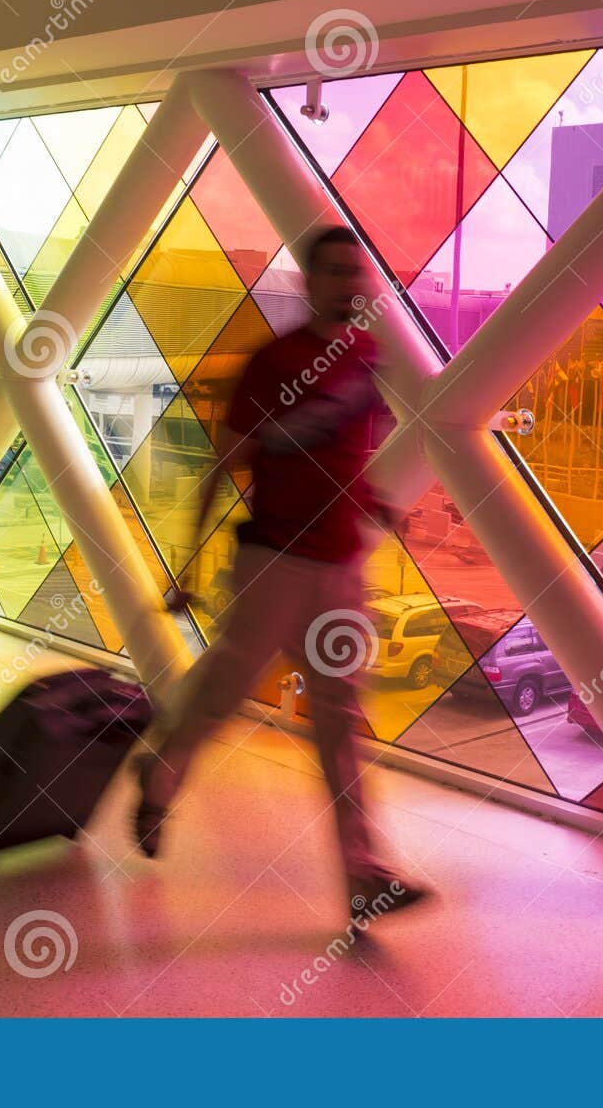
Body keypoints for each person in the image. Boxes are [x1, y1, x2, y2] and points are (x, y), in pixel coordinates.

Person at [131, 225, 429, 917]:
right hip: (273, 564)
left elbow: (346, 461)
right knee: (221, 697)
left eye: (356, 272)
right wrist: (187, 565)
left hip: (340, 569)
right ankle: (159, 776)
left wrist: (380, 504)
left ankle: (363, 875)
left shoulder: (368, 356)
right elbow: (222, 468)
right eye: (332, 272)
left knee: (340, 721)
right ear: (308, 282)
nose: (348, 284)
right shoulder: (272, 364)